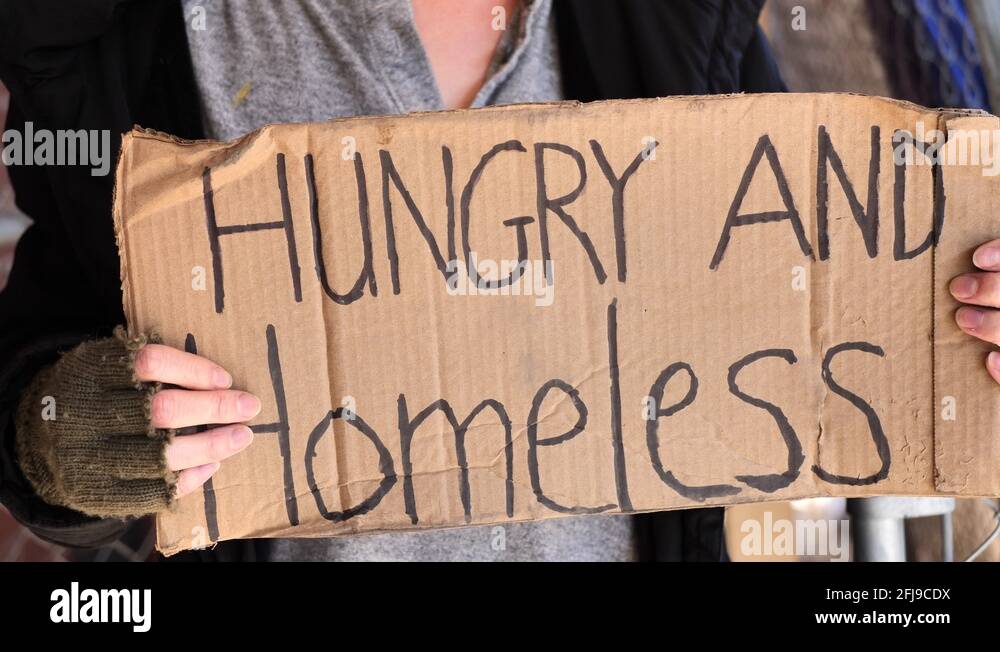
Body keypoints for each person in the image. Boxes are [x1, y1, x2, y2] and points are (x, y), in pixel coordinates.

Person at [2, 0, 985, 562]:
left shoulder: (672, 18)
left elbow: (831, 290)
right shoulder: (123, 43)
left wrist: (967, 313)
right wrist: (58, 433)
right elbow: (42, 364)